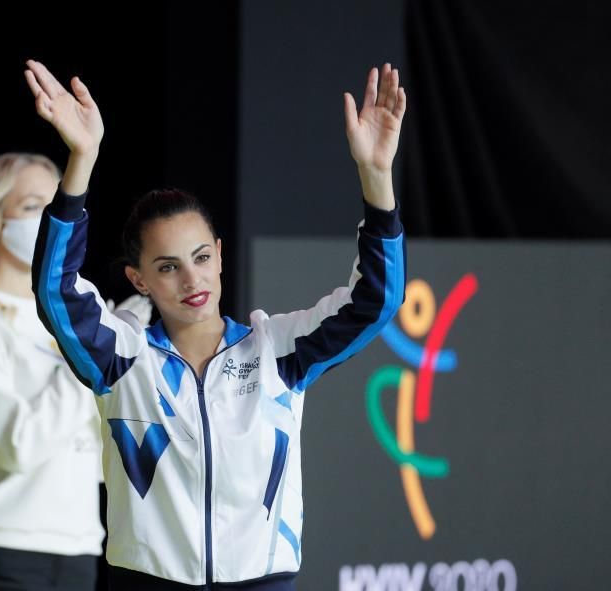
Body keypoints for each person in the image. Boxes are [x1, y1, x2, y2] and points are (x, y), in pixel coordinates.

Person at [23, 59, 406, 590]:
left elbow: (377, 299)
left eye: (202, 257)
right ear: (138, 280)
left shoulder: (277, 350)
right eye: (167, 267)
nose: (191, 279)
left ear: (221, 256)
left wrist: (377, 175)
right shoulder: (122, 359)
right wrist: (82, 159)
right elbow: (54, 289)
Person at [0, 152, 151, 591]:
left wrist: (120, 354)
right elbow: (15, 446)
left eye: (51, 206)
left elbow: (100, 455)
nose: (46, 219)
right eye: (32, 206)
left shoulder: (73, 319)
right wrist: (91, 359)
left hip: (80, 549)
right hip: (5, 551)